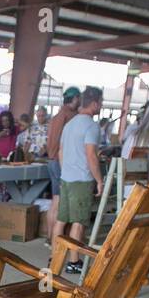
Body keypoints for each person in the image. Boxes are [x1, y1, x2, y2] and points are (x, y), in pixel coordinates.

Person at [55, 85, 105, 273]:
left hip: (66, 178)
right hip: (81, 180)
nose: (101, 106)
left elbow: (61, 151)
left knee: (62, 220)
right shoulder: (91, 126)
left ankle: (56, 257)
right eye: (100, 103)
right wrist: (99, 180)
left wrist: (65, 171)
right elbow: (91, 154)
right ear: (94, 104)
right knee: (78, 222)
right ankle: (74, 263)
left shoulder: (70, 124)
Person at [45, 86, 81, 241]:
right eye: (79, 99)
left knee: (55, 201)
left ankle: (48, 237)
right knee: (61, 204)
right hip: (62, 162)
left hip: (52, 161)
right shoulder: (70, 116)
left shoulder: (57, 115)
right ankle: (56, 240)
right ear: (74, 99)